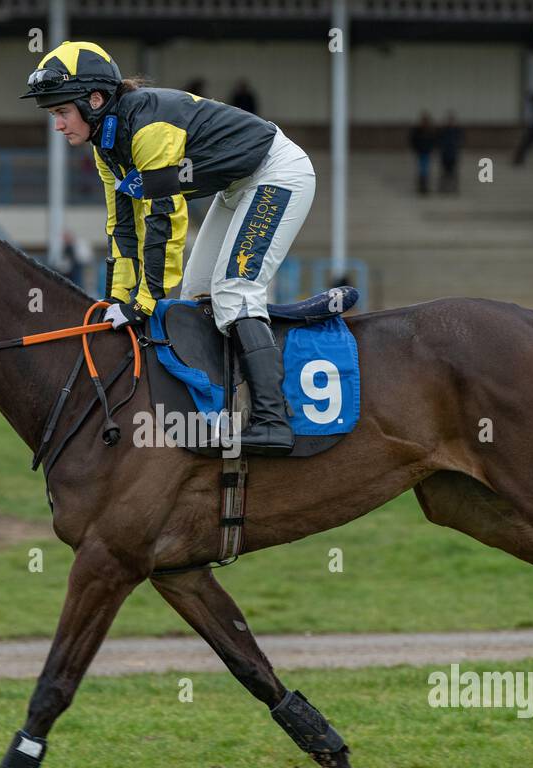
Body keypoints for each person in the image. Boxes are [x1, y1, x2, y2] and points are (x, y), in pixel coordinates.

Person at [21, 41, 316, 456]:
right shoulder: (106, 148)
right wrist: (117, 298)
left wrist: (144, 303)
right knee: (198, 294)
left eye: (61, 112)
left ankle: (273, 421)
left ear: (95, 99)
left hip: (277, 172)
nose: (57, 125)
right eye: (53, 114)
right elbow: (122, 228)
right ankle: (229, 407)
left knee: (234, 289)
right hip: (236, 186)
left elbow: (164, 220)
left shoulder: (147, 127)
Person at [409, 111, 436, 195]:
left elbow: (433, 140)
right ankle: (421, 186)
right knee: (422, 170)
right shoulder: (418, 130)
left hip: (426, 152)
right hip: (421, 152)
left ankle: (424, 186)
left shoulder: (430, 131)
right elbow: (413, 140)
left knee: (425, 170)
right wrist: (416, 148)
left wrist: (431, 148)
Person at [437, 110, 464, 194]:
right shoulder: (443, 131)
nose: (450, 122)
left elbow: (461, 141)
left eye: (452, 121)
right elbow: (439, 140)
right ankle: (443, 189)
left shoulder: (457, 131)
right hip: (445, 155)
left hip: (453, 155)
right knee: (444, 173)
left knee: (453, 174)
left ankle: (453, 189)